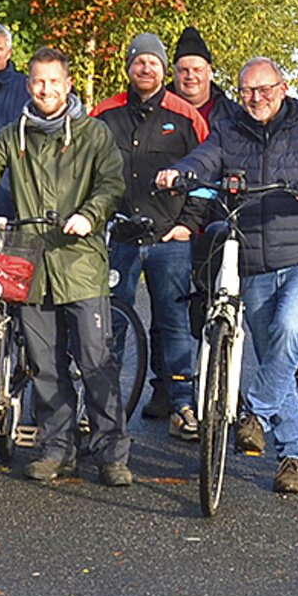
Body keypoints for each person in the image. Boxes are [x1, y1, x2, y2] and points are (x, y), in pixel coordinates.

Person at [0, 47, 132, 486]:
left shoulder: (93, 134)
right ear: (29, 85)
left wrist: (90, 214)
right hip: (29, 263)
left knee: (97, 361)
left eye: (53, 82)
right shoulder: (12, 135)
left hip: (80, 263)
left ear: (67, 84)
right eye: (38, 82)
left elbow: (112, 184)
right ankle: (58, 448)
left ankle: (111, 452)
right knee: (45, 365)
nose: (45, 90)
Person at [159, 57, 298, 495]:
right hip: (254, 258)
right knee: (274, 360)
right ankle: (293, 455)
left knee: (287, 330)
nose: (256, 98)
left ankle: (257, 413)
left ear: (283, 88)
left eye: (265, 90)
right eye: (248, 91)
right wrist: (181, 174)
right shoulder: (230, 130)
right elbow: (203, 158)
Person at [90, 32, 209, 438]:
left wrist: (187, 223)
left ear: (164, 70)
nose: (145, 68)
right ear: (128, 67)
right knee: (109, 324)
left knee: (174, 324)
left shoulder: (187, 117)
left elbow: (206, 177)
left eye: (153, 62)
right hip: (117, 236)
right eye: (138, 61)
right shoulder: (104, 114)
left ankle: (183, 407)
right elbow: (82, 172)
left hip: (168, 239)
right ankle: (104, 408)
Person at [170, 25, 237, 129]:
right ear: (174, 73)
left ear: (209, 72)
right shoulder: (156, 110)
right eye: (184, 70)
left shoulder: (233, 116)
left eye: (197, 70)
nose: (190, 76)